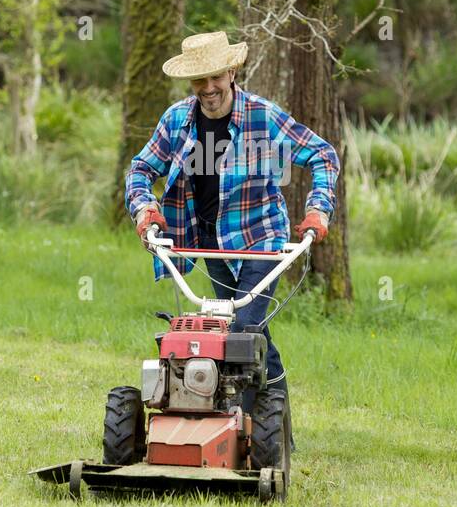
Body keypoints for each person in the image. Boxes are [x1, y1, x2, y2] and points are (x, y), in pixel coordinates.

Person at [124, 31, 340, 445]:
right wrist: (144, 207)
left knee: (243, 329)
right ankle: (274, 429)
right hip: (208, 241)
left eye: (215, 78)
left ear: (232, 71)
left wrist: (318, 209)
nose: (208, 89)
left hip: (260, 237)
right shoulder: (176, 120)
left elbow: (322, 155)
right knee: (244, 332)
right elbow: (139, 169)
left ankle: (250, 435)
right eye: (199, 81)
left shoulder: (262, 116)